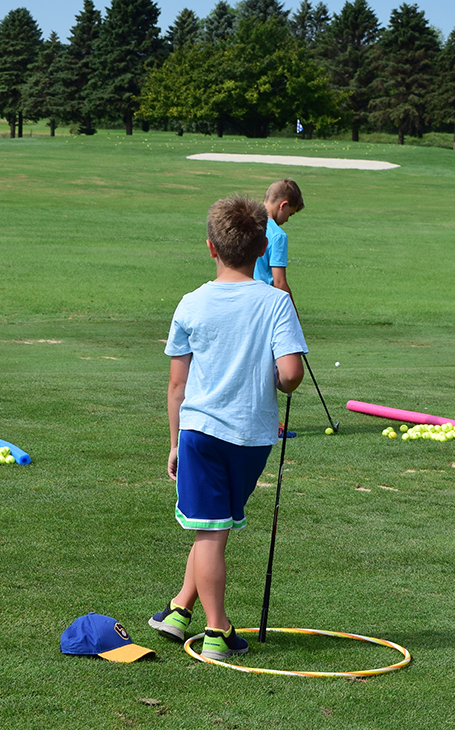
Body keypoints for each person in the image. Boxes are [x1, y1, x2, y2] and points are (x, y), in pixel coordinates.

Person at [149, 196, 307, 660]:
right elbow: (291, 374)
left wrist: (175, 443)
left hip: (199, 434)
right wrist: (278, 377)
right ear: (263, 248)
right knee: (211, 527)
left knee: (209, 530)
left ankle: (215, 632)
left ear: (210, 248)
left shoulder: (191, 303)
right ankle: (180, 610)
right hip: (252, 437)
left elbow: (177, 385)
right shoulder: (276, 302)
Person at [252, 179, 304, 295]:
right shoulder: (277, 235)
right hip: (263, 299)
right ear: (283, 205)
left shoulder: (245, 223)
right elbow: (279, 282)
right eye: (290, 214)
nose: (287, 219)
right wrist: (292, 311)